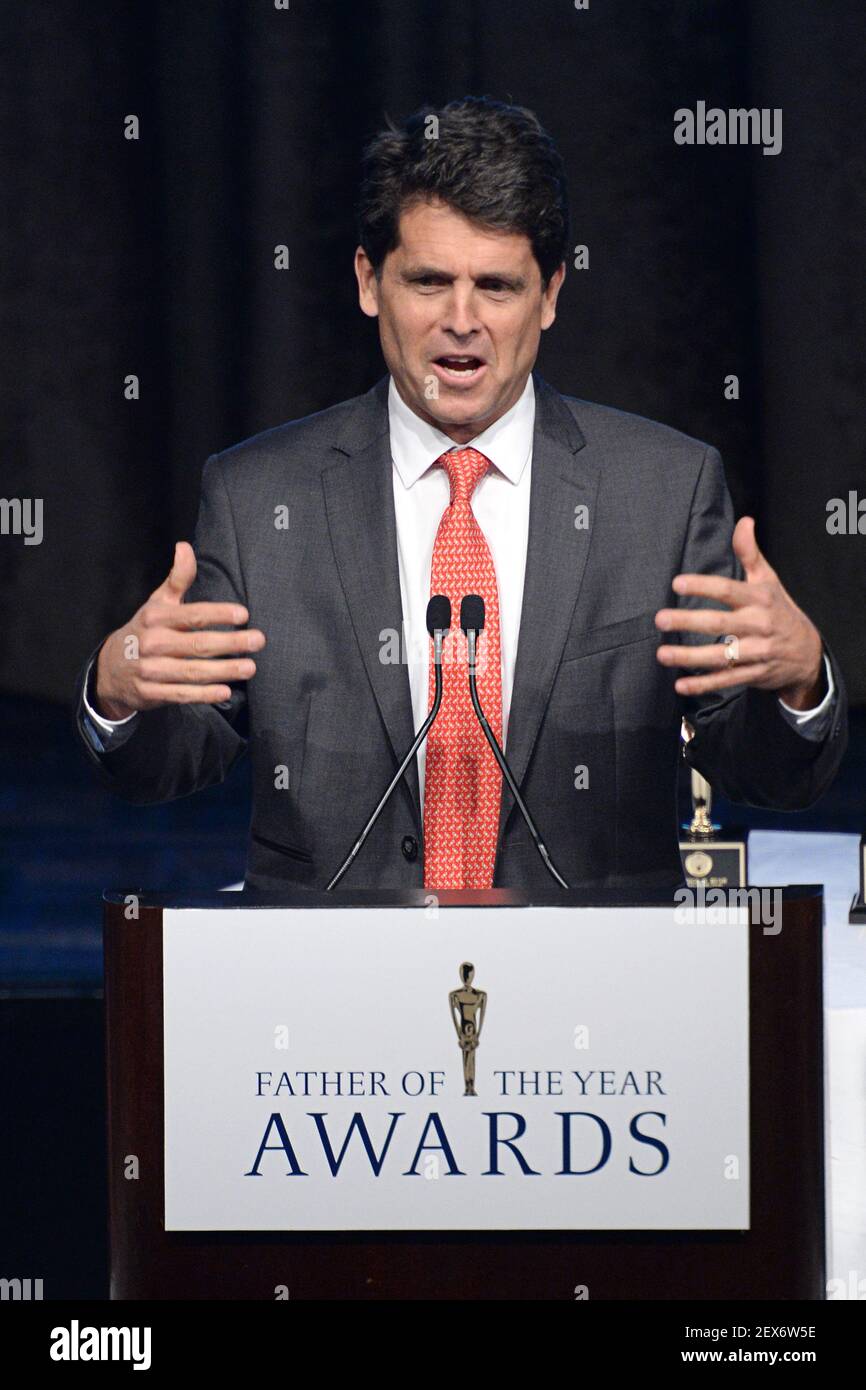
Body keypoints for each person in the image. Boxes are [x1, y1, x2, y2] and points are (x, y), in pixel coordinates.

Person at [75, 96, 847, 894]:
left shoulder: (664, 491)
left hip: (593, 986)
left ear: (550, 294)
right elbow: (171, 762)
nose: (461, 320)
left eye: (498, 287)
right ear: (369, 282)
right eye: (430, 281)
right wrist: (117, 693)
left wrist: (796, 685)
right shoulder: (258, 495)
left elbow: (766, 773)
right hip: (331, 987)